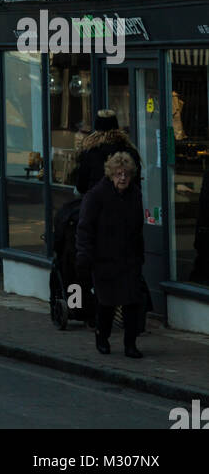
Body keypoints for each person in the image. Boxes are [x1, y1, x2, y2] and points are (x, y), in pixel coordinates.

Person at [76, 150, 145, 359]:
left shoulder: (134, 194)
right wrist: (84, 255)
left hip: (129, 258)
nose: (122, 178)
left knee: (132, 303)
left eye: (126, 174)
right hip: (104, 258)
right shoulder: (96, 196)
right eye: (118, 174)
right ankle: (102, 336)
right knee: (107, 303)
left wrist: (139, 254)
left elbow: (138, 226)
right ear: (110, 174)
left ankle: (130, 344)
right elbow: (85, 228)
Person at [74, 110, 141, 194]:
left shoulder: (89, 152)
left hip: (97, 203)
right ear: (116, 127)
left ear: (97, 129)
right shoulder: (130, 150)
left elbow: (81, 186)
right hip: (124, 202)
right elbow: (137, 184)